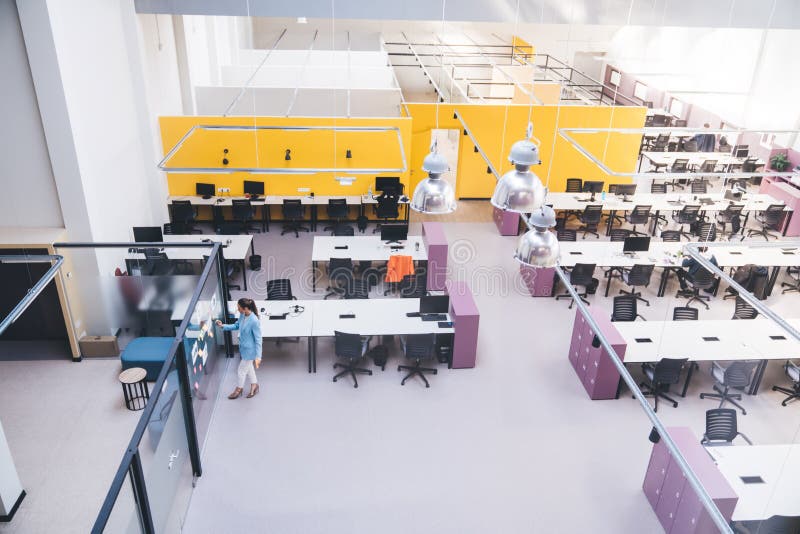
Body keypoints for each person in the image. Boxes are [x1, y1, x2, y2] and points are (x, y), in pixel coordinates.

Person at [216, 297, 262, 399]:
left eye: (239, 308)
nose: (238, 309)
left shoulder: (254, 321)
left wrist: (258, 357)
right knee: (249, 368)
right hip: (243, 349)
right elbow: (237, 326)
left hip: (251, 351)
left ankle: (239, 389)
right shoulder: (242, 315)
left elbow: (258, 340)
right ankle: (254, 385)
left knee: (241, 370)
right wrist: (223, 326)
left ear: (245, 308)